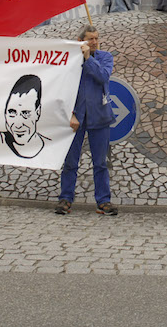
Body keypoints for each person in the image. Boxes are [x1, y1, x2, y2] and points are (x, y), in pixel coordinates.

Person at [55, 26, 118, 216]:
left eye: (97, 38)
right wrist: (70, 113)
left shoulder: (104, 57)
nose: (94, 42)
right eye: (90, 39)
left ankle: (103, 201)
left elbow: (103, 77)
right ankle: (65, 198)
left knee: (100, 163)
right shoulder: (70, 60)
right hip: (77, 117)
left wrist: (89, 59)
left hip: (99, 117)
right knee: (71, 162)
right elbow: (63, 88)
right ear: (80, 39)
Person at [0, 75, 49, 159]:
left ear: (38, 112)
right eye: (12, 113)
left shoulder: (53, 145)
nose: (18, 125)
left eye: (25, 113)